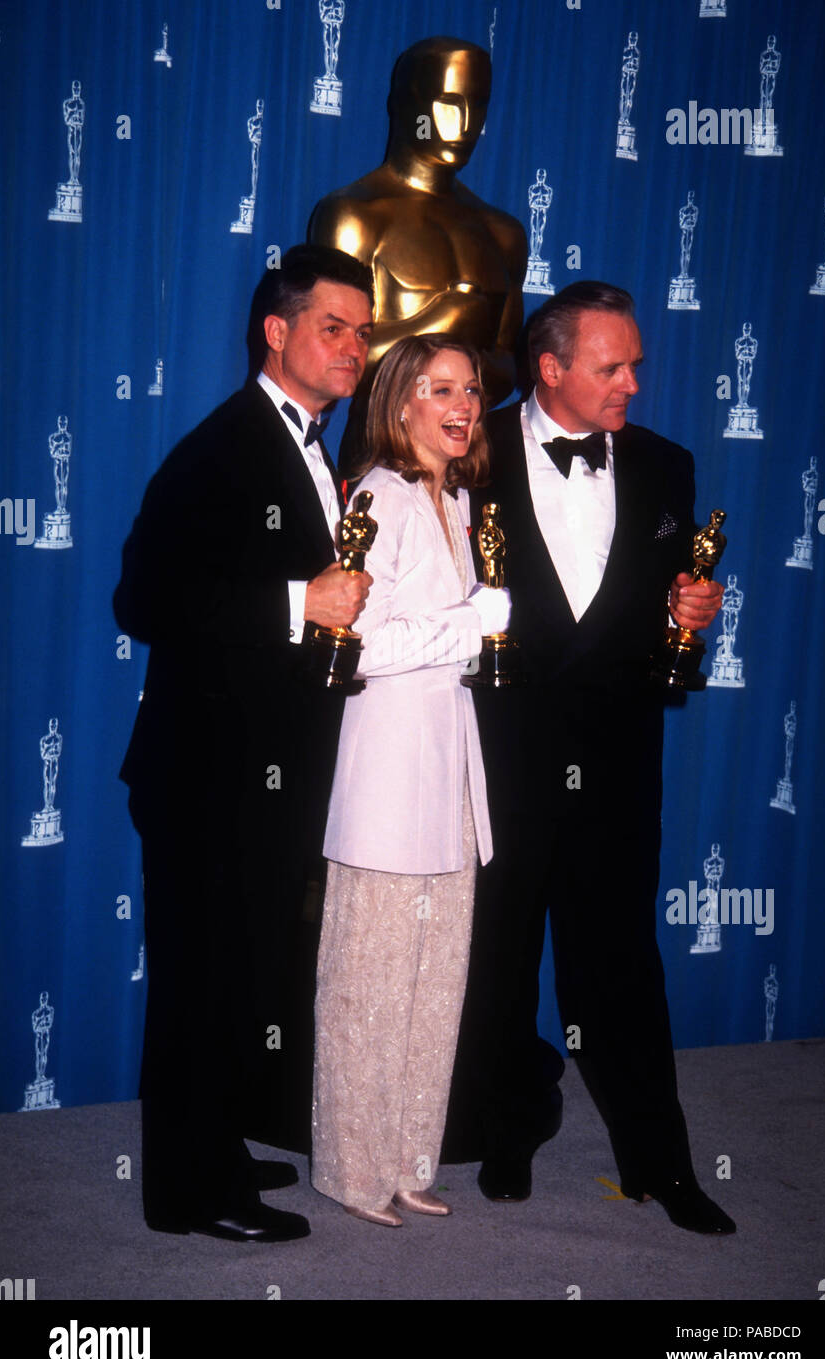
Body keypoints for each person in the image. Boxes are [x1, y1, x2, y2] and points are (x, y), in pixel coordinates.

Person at [445, 281, 736, 1235]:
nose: (632, 384)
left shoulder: (666, 468)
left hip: (616, 763)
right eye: (613, 367)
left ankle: (664, 1163)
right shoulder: (467, 451)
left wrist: (686, 618)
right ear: (551, 368)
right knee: (497, 958)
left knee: (620, 965)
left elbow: (662, 621)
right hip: (499, 757)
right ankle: (508, 1131)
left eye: (636, 364)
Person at [113, 244, 374, 1243]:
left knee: (240, 975)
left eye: (361, 330)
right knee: (200, 981)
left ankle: (212, 1144)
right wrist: (295, 601)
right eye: (332, 327)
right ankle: (185, 1191)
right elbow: (143, 598)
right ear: (279, 331)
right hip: (207, 775)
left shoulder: (306, 443)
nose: (354, 348)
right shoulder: (222, 447)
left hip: (265, 774)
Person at [311, 334, 509, 1226]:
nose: (463, 403)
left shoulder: (455, 501)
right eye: (441, 389)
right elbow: (362, 646)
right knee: (371, 989)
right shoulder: (380, 498)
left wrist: (471, 625)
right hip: (389, 777)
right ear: (399, 404)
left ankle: (408, 1162)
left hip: (451, 779)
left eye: (471, 388)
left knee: (435, 991)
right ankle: (353, 1173)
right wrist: (470, 625)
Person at [309, 36, 527, 466]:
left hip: (472, 463)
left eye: (477, 104)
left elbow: (508, 367)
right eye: (447, 102)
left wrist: (452, 375)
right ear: (404, 103)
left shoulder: (502, 232)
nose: (463, 124)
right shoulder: (356, 216)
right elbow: (335, 360)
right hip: (381, 459)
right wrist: (441, 321)